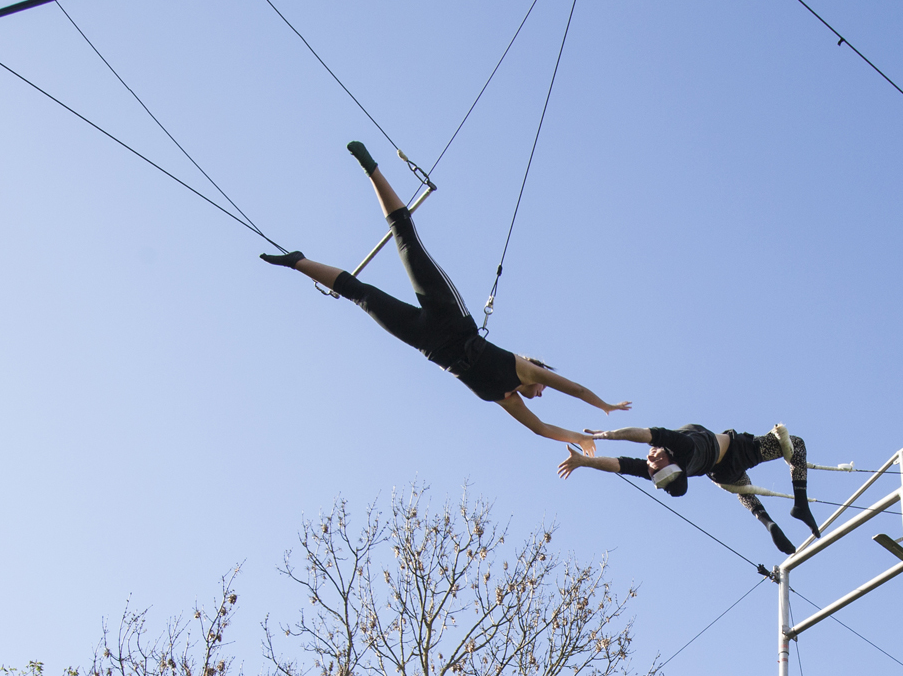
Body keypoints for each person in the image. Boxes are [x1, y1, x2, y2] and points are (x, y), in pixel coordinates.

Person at [260, 142, 628, 451]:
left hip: (428, 343)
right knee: (407, 243)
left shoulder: (508, 399)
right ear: (540, 372)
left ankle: (297, 262)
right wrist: (605, 406)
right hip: (450, 318)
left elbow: (539, 429)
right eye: (545, 385)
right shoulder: (524, 368)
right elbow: (575, 389)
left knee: (363, 296)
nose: (543, 392)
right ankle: (371, 168)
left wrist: (579, 438)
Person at [558, 423, 822, 555]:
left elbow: (619, 465)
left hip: (720, 473)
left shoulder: (662, 467)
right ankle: (801, 505)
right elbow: (643, 434)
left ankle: (767, 522)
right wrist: (604, 435)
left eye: (650, 463)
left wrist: (585, 461)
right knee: (795, 444)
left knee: (741, 488)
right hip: (738, 451)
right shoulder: (680, 447)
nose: (649, 458)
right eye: (654, 461)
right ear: (670, 462)